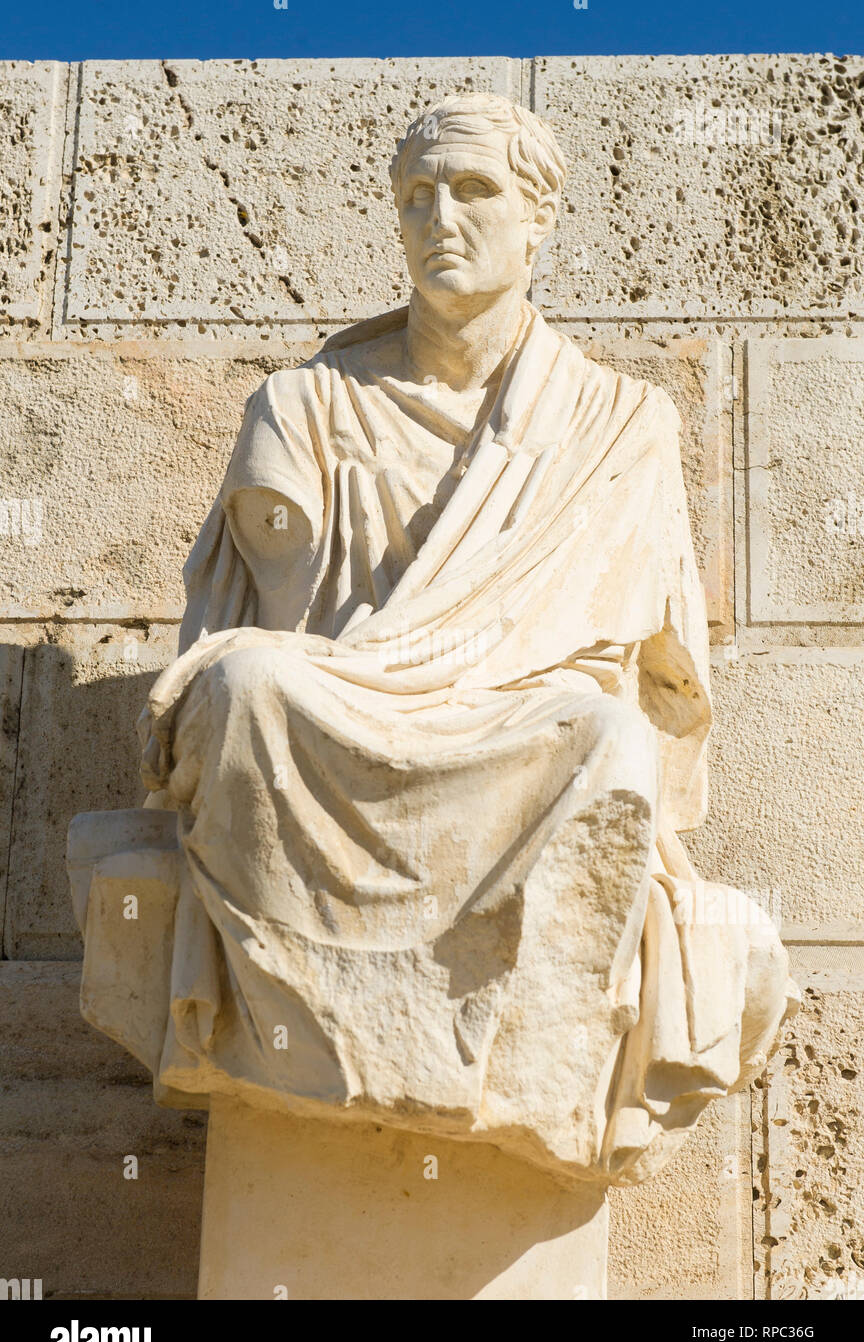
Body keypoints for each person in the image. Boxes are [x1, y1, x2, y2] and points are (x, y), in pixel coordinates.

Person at [122, 92, 797, 1185]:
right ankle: (303, 1022)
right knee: (246, 689)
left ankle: (523, 1049)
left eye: (475, 189)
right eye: (416, 195)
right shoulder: (306, 404)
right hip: (342, 700)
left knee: (604, 742)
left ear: (538, 218)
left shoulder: (620, 421)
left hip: (524, 724)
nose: (442, 214)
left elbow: (659, 687)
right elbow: (276, 626)